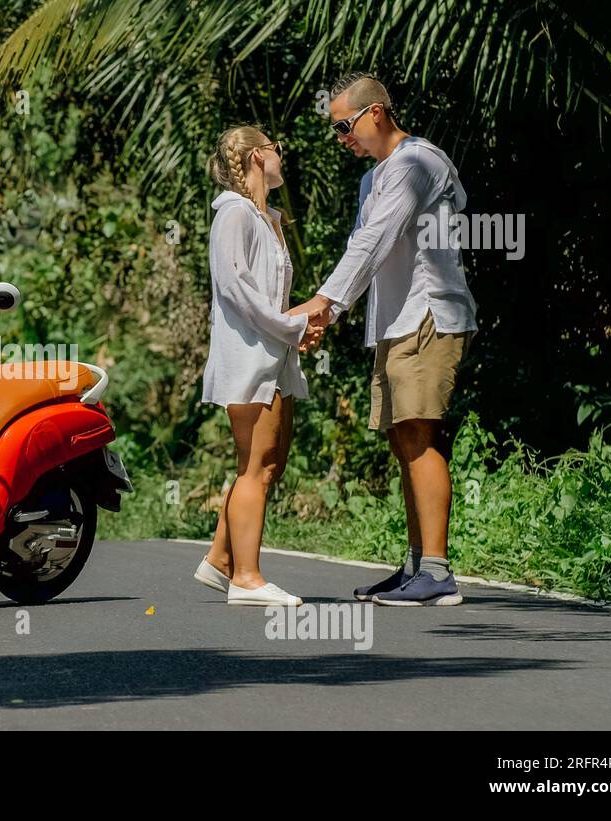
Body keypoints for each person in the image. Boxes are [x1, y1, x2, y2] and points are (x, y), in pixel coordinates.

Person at [291, 73, 477, 606]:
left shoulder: (420, 162)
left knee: (419, 435)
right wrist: (328, 315)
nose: (341, 138)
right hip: (394, 324)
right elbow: (362, 255)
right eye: (335, 131)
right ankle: (418, 565)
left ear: (376, 113)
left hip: (428, 316)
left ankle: (438, 572)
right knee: (403, 442)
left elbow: (377, 239)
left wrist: (321, 303)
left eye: (344, 126)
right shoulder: (372, 180)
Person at [195, 124, 323, 606]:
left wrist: (297, 323)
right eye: (275, 149)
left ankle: (220, 559)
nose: (281, 157)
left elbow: (265, 296)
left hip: (272, 353)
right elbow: (238, 291)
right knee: (256, 468)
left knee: (268, 463)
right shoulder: (233, 215)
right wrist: (293, 327)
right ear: (254, 158)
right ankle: (246, 578)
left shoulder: (264, 216)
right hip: (250, 357)